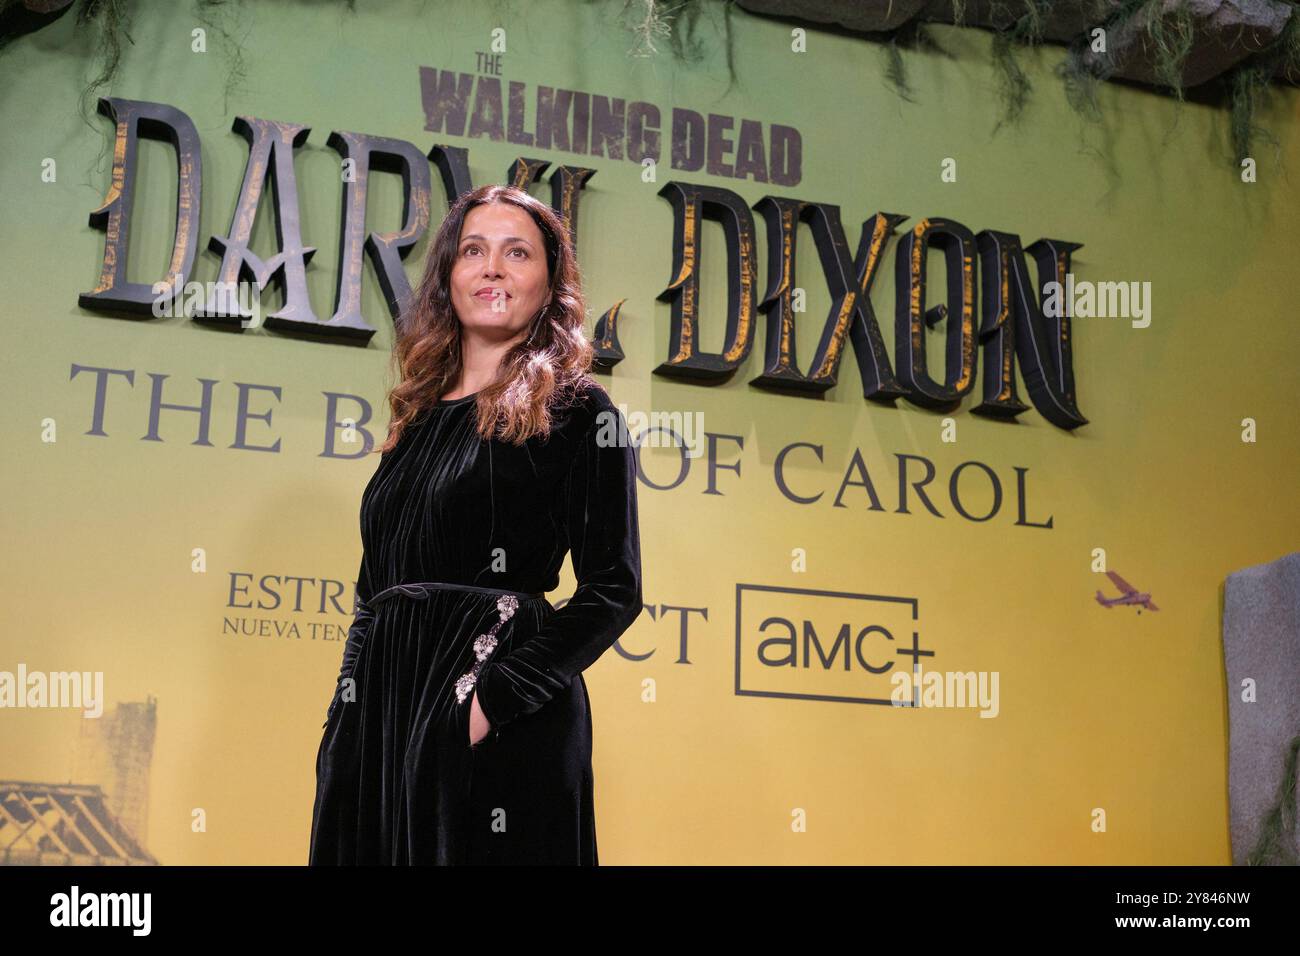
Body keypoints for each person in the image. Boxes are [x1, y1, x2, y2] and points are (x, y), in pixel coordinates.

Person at [308, 183, 643, 865]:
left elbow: (613, 589)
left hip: (495, 712)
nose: (492, 268)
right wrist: (347, 716)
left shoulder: (581, 412)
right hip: (381, 717)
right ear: (449, 278)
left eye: (516, 252)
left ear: (550, 284)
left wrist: (488, 701)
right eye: (474, 251)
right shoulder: (418, 417)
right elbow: (374, 589)